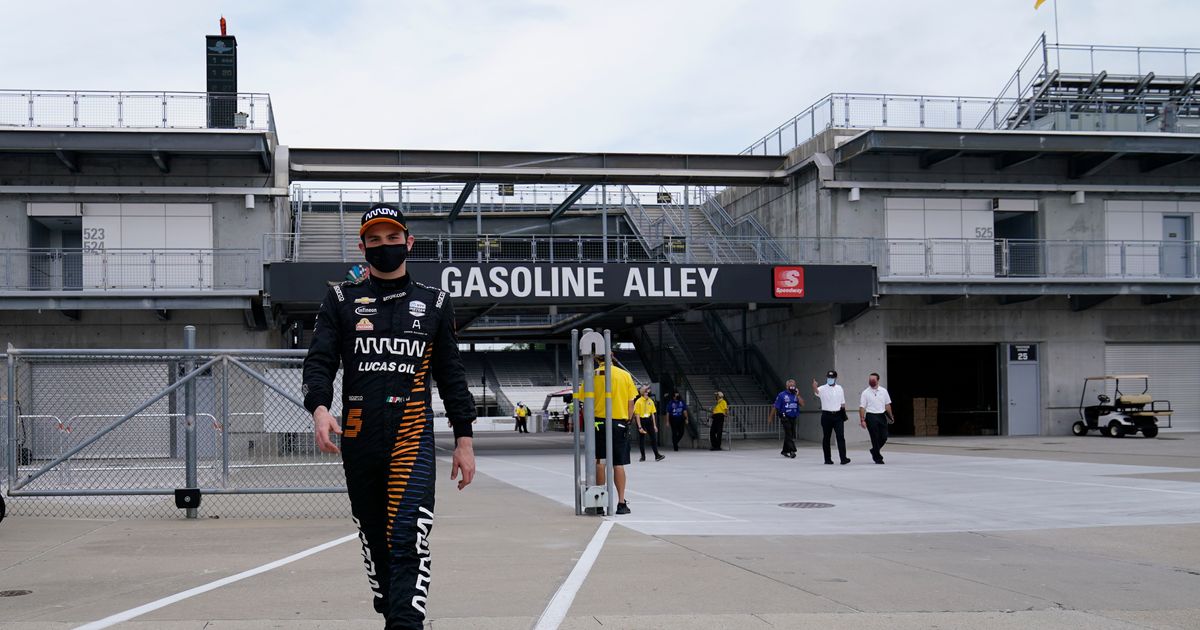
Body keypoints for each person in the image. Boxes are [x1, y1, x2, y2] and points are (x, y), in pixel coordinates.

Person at [303, 203, 476, 630]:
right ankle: (391, 611)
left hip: (412, 438)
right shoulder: (341, 299)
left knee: (408, 539)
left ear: (408, 243)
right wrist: (320, 408)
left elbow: (451, 375)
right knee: (377, 545)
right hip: (359, 439)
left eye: (393, 238)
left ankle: (406, 625)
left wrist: (465, 440)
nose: (385, 246)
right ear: (362, 247)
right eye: (375, 240)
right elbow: (320, 361)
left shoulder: (434, 302)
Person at [582, 356, 638, 515]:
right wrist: (628, 420)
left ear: (596, 359)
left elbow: (585, 401)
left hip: (598, 421)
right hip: (619, 421)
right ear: (612, 358)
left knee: (600, 461)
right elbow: (631, 402)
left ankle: (599, 503)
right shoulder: (624, 375)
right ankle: (621, 503)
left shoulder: (591, 374)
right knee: (618, 463)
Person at [813, 370, 850, 465]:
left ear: (835, 378)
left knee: (840, 437)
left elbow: (842, 403)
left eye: (832, 378)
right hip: (826, 415)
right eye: (828, 378)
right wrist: (814, 387)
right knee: (827, 437)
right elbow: (817, 392)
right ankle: (827, 459)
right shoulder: (822, 388)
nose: (830, 379)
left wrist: (844, 414)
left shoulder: (840, 388)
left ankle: (843, 458)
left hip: (838, 415)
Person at [859, 372, 894, 464]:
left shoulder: (883, 391)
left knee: (884, 437)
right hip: (871, 416)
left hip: (882, 415)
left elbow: (887, 404)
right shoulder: (865, 392)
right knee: (874, 437)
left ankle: (874, 450)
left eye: (873, 380)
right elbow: (862, 407)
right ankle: (878, 458)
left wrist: (891, 416)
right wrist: (862, 420)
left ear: (878, 380)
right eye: (870, 380)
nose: (871, 381)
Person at [767, 379, 805, 458]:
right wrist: (770, 417)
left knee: (790, 434)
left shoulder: (796, 395)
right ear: (787, 386)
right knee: (789, 433)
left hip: (793, 417)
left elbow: (802, 404)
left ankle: (784, 451)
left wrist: (798, 395)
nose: (792, 387)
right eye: (790, 386)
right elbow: (775, 406)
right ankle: (792, 451)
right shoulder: (782, 395)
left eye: (794, 386)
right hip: (785, 416)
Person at [634, 386, 665, 462]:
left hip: (649, 420)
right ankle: (643, 456)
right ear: (642, 393)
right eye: (645, 391)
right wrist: (639, 427)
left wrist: (654, 425)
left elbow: (653, 414)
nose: (647, 393)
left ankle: (657, 455)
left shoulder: (651, 401)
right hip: (641, 420)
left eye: (647, 391)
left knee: (653, 438)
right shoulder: (638, 402)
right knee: (642, 439)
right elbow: (637, 415)